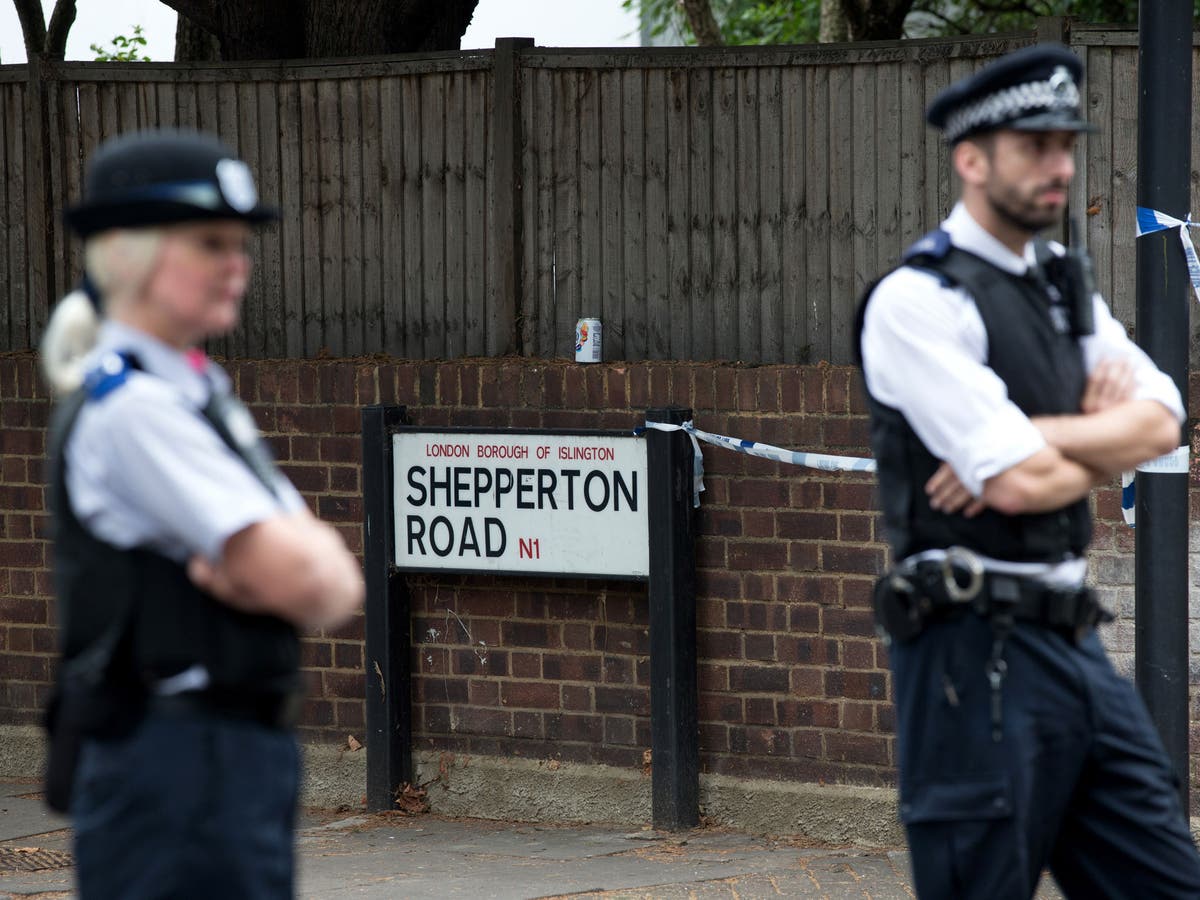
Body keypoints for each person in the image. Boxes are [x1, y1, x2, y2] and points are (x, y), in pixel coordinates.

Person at [857, 45, 1200, 899]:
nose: (1061, 166)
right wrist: (1096, 438)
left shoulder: (1060, 287)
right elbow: (1015, 484)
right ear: (972, 160)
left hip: (1076, 646)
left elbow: (1164, 421)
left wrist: (1042, 434)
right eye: (1036, 146)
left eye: (1067, 145)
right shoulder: (918, 299)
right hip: (970, 656)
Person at [41, 128, 365, 899]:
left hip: (221, 758)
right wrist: (288, 564)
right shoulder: (138, 410)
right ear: (129, 253)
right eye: (210, 243)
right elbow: (311, 580)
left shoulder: (195, 390)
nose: (236, 265)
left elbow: (334, 583)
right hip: (176, 765)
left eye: (241, 244)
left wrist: (293, 564)